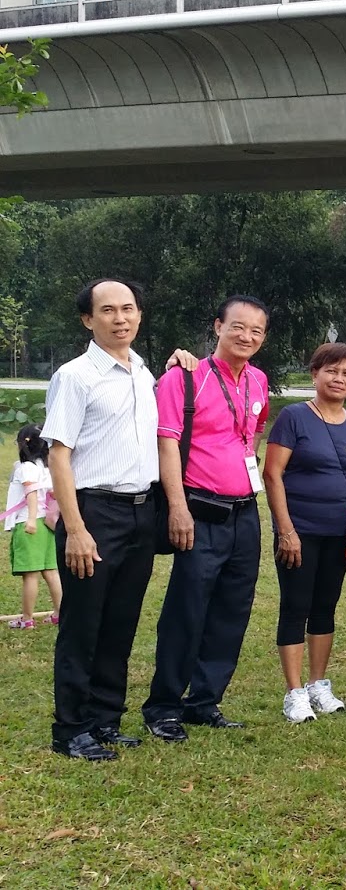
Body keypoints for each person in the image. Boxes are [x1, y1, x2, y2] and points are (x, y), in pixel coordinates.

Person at [43, 279, 165, 760]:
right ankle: (70, 728)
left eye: (129, 308)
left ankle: (104, 719)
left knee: (121, 622)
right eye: (108, 310)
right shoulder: (75, 376)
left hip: (140, 512)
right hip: (94, 512)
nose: (121, 319)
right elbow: (59, 456)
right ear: (88, 320)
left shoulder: (141, 370)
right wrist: (75, 529)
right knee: (83, 624)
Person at [143, 295, 272, 742]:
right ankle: (163, 705)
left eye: (256, 330)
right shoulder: (186, 377)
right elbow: (167, 446)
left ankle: (204, 701)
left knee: (232, 609)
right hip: (199, 510)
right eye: (237, 326)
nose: (246, 336)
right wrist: (178, 508)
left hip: (245, 513)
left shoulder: (258, 381)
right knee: (187, 609)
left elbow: (250, 436)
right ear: (218, 326)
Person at [262, 342, 346, 724]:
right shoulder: (294, 417)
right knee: (296, 606)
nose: (338, 379)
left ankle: (318, 684)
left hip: (338, 532)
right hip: (300, 531)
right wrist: (286, 530)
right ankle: (294, 694)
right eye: (331, 370)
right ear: (315, 374)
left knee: (326, 606)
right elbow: (272, 474)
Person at [7, 425, 62, 630]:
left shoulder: (25, 468)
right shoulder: (48, 468)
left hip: (30, 523)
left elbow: (30, 493)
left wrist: (30, 519)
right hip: (48, 523)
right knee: (51, 570)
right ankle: (59, 614)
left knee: (30, 575)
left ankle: (27, 619)